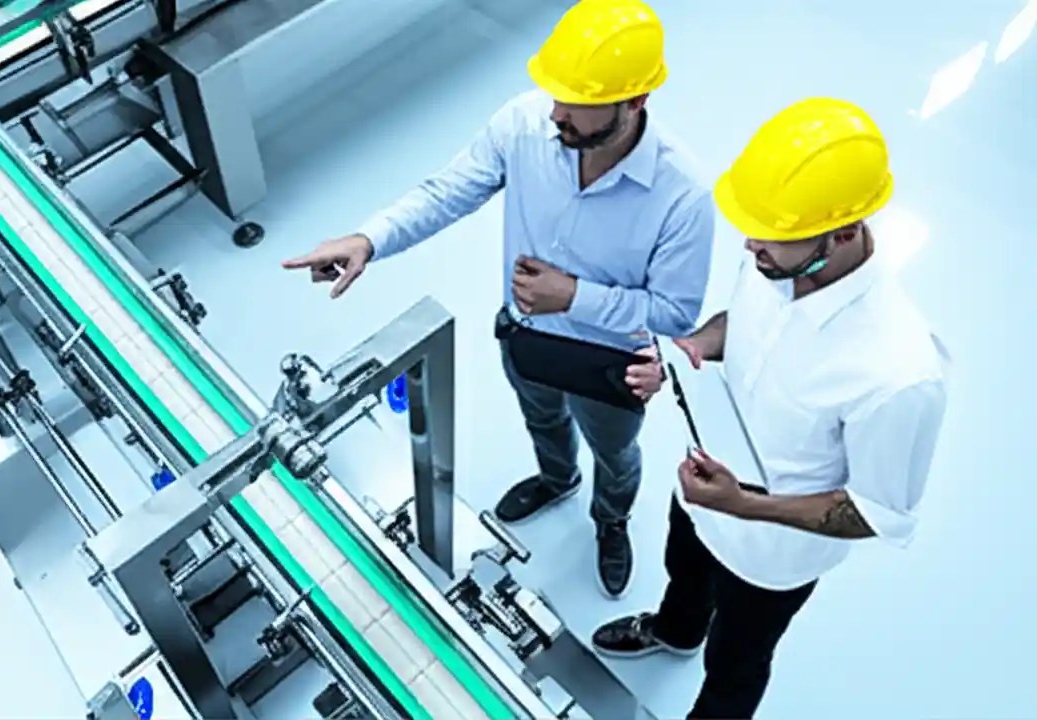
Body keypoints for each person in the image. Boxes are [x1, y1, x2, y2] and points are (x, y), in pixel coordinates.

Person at [281, 0, 714, 598]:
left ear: (635, 101)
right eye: (554, 94)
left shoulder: (682, 196)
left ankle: (609, 519)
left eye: (575, 102)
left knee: (615, 455)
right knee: (541, 417)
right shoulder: (525, 124)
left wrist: (573, 297)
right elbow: (447, 192)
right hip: (525, 339)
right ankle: (557, 478)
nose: (556, 113)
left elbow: (674, 312)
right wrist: (370, 240)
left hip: (610, 363)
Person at [591, 97, 950, 719]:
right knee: (685, 574)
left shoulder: (899, 373)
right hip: (701, 486)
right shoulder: (777, 249)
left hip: (771, 556)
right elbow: (745, 321)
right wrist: (696, 347)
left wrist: (744, 505)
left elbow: (875, 512)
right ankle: (676, 630)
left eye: (771, 237)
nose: (751, 245)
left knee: (736, 662)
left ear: (843, 231)